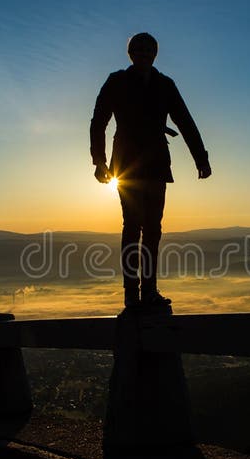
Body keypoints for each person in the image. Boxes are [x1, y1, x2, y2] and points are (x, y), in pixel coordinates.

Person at [90, 32, 212, 309]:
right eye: (139, 49)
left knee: (153, 229)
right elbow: (99, 121)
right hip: (126, 166)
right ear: (130, 53)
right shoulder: (116, 81)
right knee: (133, 226)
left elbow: (185, 121)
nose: (144, 54)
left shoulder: (165, 84)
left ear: (155, 54)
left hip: (157, 164)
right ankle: (131, 294)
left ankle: (149, 292)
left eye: (149, 50)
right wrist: (99, 161)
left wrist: (201, 159)